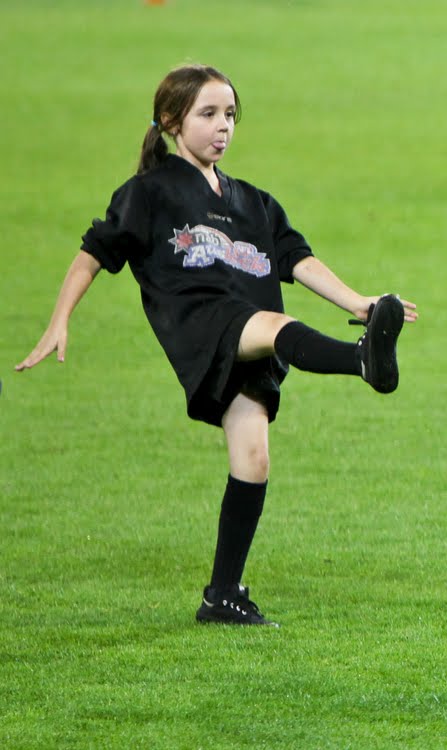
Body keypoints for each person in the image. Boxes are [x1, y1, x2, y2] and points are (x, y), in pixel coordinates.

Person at [15, 63, 419, 627]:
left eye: (230, 114)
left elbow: (295, 258)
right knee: (274, 325)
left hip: (246, 331)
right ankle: (360, 361)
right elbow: (94, 252)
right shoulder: (148, 193)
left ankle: (222, 596)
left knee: (252, 459)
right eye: (208, 114)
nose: (222, 126)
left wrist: (356, 303)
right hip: (202, 323)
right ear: (171, 121)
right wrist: (59, 320)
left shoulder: (253, 201)